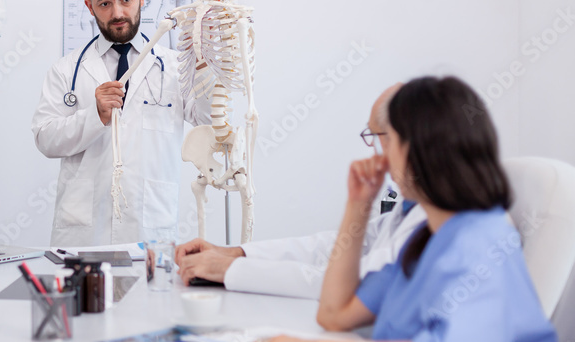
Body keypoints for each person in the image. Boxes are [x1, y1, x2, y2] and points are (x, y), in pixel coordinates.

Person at [242, 76, 557, 342]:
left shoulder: (484, 241)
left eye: (390, 141)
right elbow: (334, 314)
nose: (382, 156)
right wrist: (357, 206)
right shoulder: (424, 240)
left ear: (421, 150)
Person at [175, 84, 427, 299]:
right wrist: (235, 253)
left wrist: (230, 268)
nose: (375, 152)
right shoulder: (408, 210)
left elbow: (349, 282)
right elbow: (328, 248)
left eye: (376, 137)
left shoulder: (431, 222)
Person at [32, 0, 211, 246]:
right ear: (90, 8)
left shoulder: (176, 67)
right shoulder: (67, 70)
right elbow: (45, 140)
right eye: (104, 3)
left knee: (148, 290)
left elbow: (208, 119)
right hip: (83, 230)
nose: (117, 13)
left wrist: (208, 69)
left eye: (125, 0)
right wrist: (95, 116)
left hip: (149, 225)